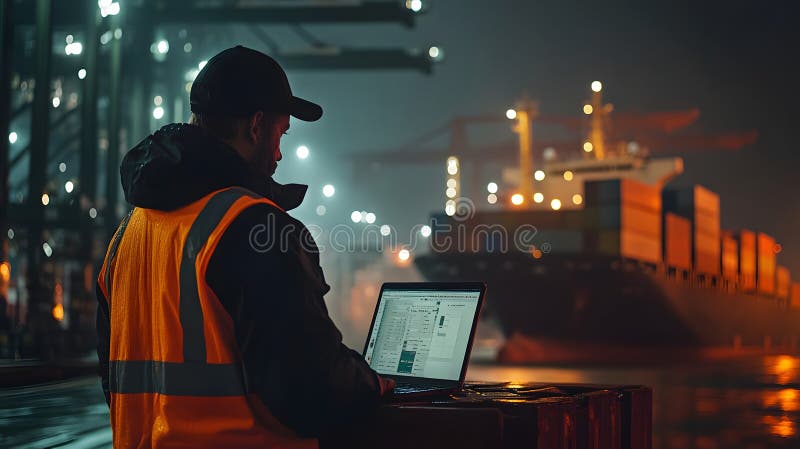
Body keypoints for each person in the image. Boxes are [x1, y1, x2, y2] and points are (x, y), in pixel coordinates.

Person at [96, 45, 393, 449]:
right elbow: (308, 391)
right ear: (256, 126)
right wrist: (369, 382)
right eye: (280, 132)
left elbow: (112, 376)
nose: (279, 152)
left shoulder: (127, 234)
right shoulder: (255, 228)